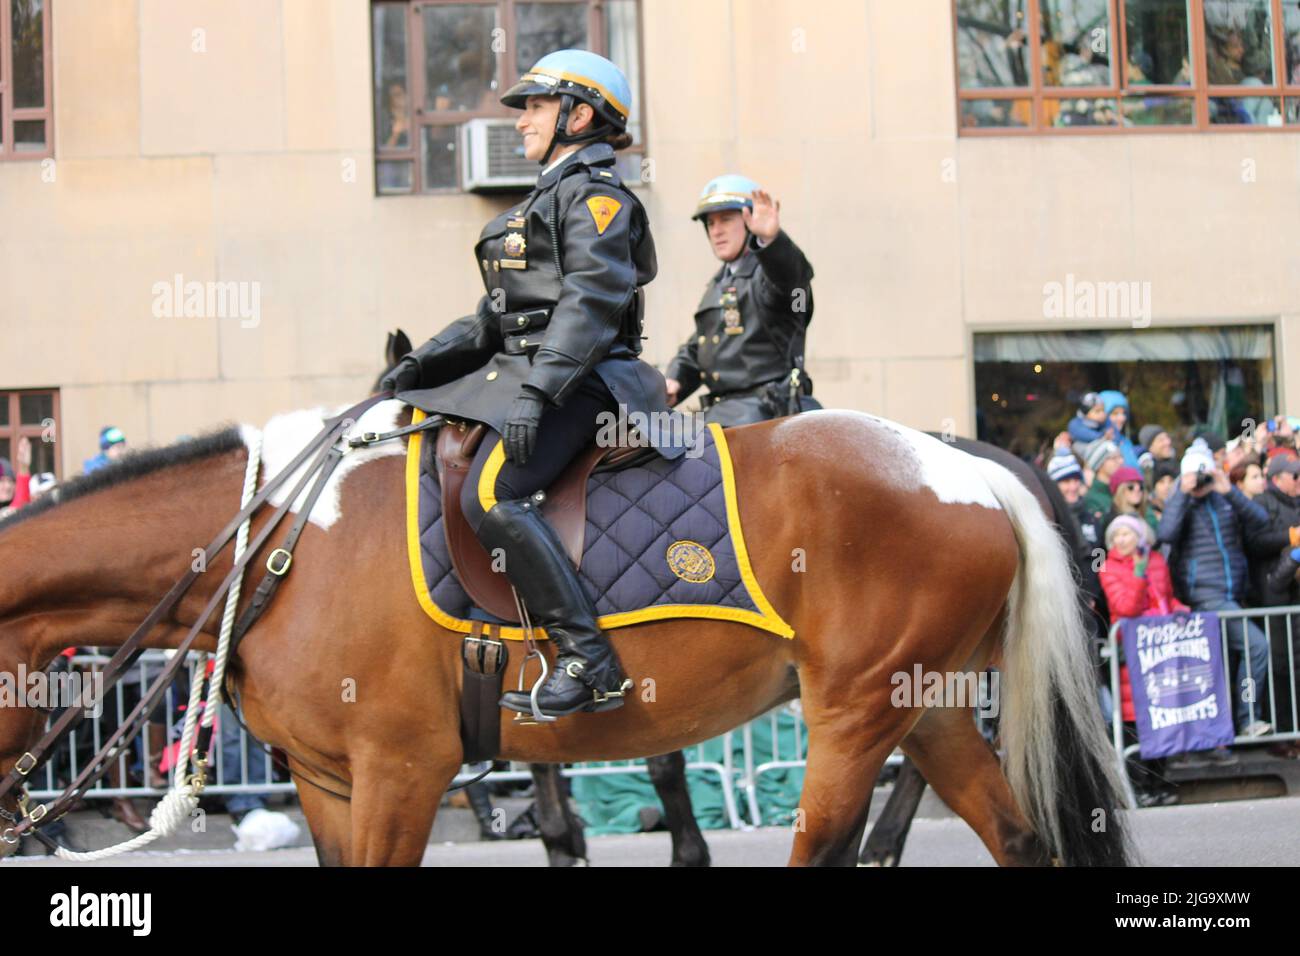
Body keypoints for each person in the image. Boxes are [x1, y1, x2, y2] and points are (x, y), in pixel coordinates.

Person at [381, 50, 685, 719]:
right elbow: (496, 317)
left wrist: (537, 393)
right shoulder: (545, 200)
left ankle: (589, 660)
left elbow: (591, 302)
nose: (520, 122)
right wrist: (421, 364)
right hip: (539, 376)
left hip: (591, 379)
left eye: (537, 108)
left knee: (493, 492)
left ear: (580, 116)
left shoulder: (598, 199)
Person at [663, 175, 819, 425]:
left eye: (726, 219)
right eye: (710, 223)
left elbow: (793, 282)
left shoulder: (766, 274)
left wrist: (771, 241)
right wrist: (675, 380)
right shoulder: (721, 282)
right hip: (722, 413)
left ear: (749, 222)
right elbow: (703, 345)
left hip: (765, 415)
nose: (717, 231)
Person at [1156, 440, 1273, 737]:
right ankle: (1246, 720)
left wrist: (1228, 489)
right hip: (1205, 596)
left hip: (1235, 592)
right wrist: (1183, 492)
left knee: (1227, 661)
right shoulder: (1180, 500)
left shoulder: (1224, 499)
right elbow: (1166, 533)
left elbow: (1261, 522)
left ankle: (1232, 728)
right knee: (1255, 646)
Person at [1097, 514, 1186, 806]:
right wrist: (1137, 574)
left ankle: (1160, 782)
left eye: (1126, 534)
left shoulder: (1157, 561)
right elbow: (1125, 607)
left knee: (1163, 714)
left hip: (1163, 651)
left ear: (1139, 536)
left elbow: (1166, 597)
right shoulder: (1108, 567)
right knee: (1136, 720)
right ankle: (1140, 786)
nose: (1121, 540)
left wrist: (1180, 609)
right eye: (1115, 536)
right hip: (1133, 653)